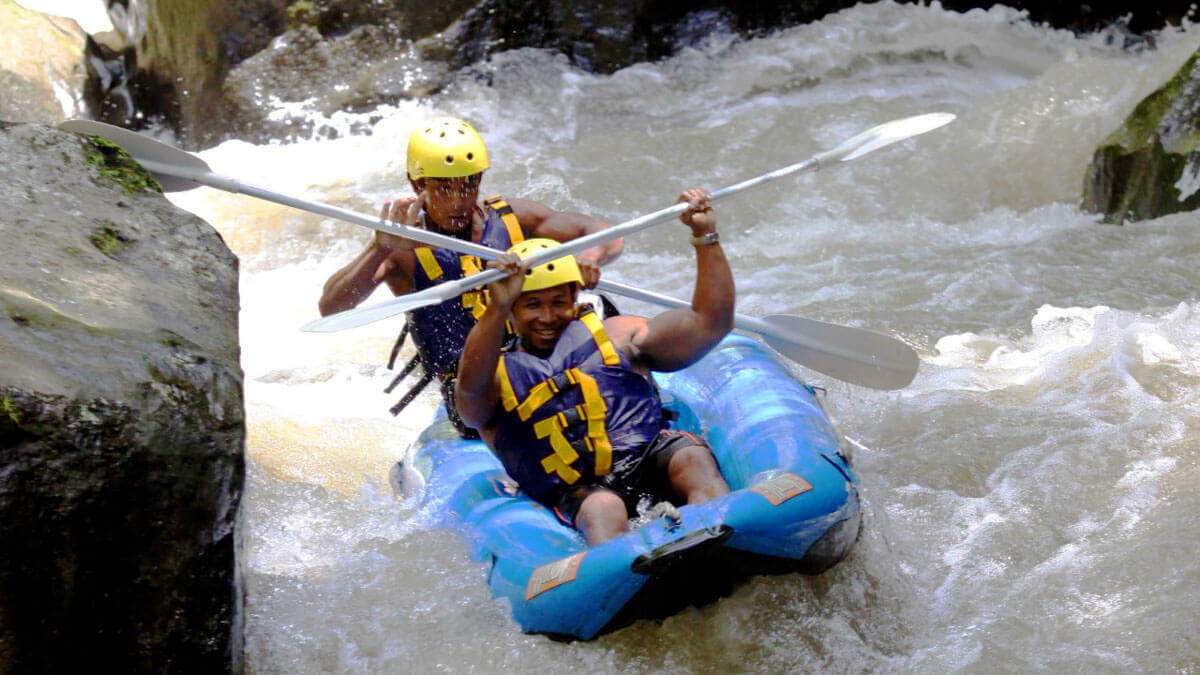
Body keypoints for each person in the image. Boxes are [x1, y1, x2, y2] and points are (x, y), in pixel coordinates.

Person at [454, 188, 734, 545]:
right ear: (512, 310)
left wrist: (704, 237)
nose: (547, 317)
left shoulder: (619, 335)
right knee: (603, 508)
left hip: (648, 457)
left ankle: (722, 535)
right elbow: (469, 399)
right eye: (532, 305)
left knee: (692, 458)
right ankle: (629, 578)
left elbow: (712, 322)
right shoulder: (494, 374)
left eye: (559, 301)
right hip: (579, 490)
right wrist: (497, 305)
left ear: (576, 297)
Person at [318, 116, 623, 436]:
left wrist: (588, 257)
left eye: (469, 185)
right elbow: (331, 308)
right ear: (416, 185)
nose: (458, 201)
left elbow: (603, 233)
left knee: (599, 305)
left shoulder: (512, 219)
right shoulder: (400, 248)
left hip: (538, 355)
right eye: (443, 187)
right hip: (473, 389)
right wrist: (377, 250)